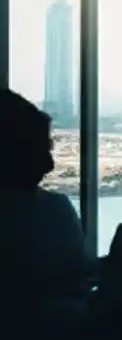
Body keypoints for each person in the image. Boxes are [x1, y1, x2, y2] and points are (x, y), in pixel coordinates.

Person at [0, 89, 94, 319]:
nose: (49, 165)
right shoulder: (55, 211)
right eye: (35, 152)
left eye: (48, 150)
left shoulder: (55, 209)